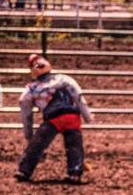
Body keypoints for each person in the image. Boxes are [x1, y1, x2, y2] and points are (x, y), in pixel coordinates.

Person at [16, 53, 92, 183]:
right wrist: (87, 116)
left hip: (53, 119)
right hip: (72, 117)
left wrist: (29, 135)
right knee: (74, 145)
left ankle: (24, 170)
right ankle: (75, 171)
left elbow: (25, 113)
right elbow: (79, 98)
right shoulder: (66, 79)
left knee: (37, 144)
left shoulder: (31, 89)